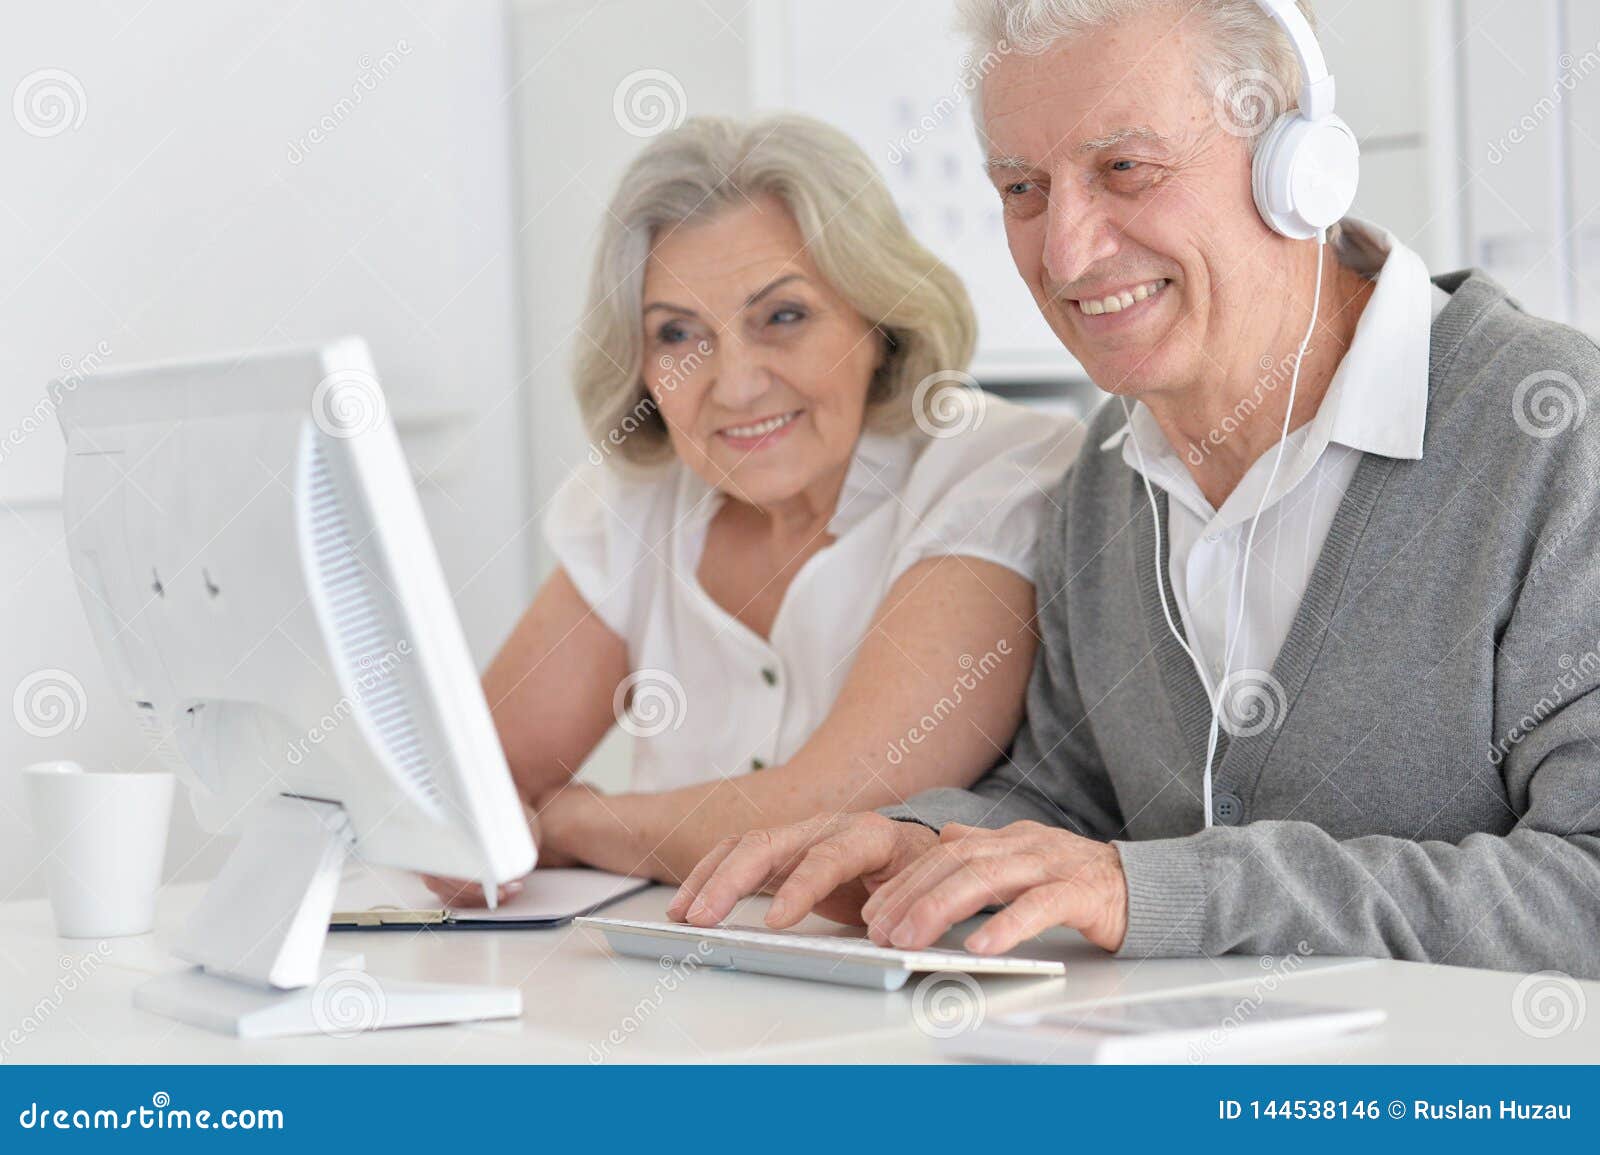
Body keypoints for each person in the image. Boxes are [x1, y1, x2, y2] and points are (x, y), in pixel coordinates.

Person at [670, 0, 1600, 978]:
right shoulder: (1109, 471)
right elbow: (1069, 803)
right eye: (1022, 189)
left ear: (1298, 168)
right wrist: (925, 847)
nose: (1064, 254)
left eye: (1125, 171)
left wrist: (1159, 891)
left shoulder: (1551, 435)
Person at [426, 114, 1082, 903]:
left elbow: (829, 812)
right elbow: (461, 792)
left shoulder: (990, 468)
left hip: (910, 1003)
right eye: (678, 334)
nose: (735, 384)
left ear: (878, 318)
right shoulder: (634, 503)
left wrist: (575, 822)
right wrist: (489, 831)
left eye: (783, 316)